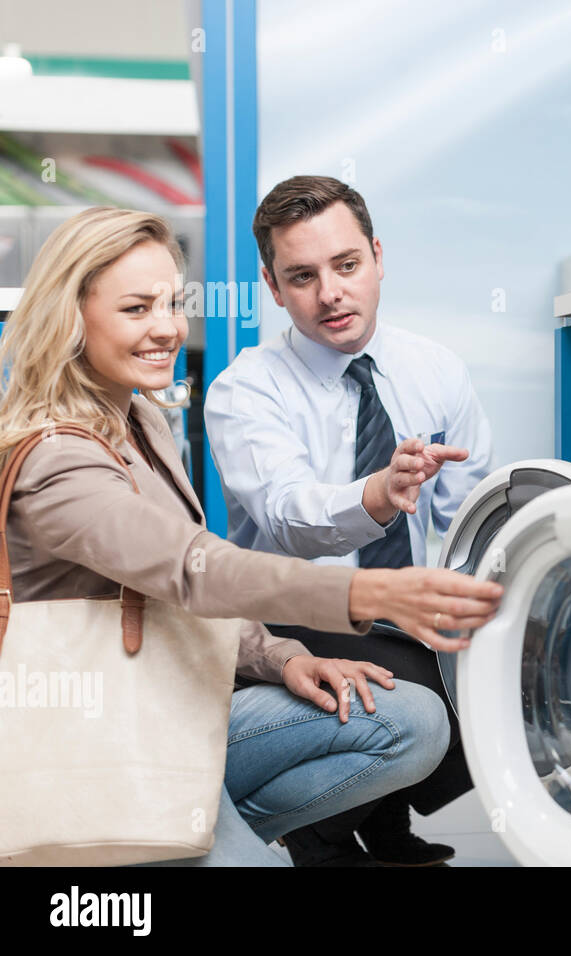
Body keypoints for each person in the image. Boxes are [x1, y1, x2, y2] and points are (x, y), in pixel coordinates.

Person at [0, 206, 502, 866]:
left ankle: (188, 835)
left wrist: (284, 658)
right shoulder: (57, 459)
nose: (166, 328)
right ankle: (161, 838)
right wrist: (372, 588)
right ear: (71, 318)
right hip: (100, 742)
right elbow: (195, 569)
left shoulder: (144, 423)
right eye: (135, 309)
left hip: (176, 702)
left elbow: (178, 601)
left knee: (413, 721)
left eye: (172, 303)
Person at [205, 175, 492, 866]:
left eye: (346, 265)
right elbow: (288, 516)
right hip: (291, 612)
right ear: (274, 288)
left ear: (378, 257)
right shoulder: (245, 389)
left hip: (402, 609)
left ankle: (381, 818)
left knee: (509, 672)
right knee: (412, 678)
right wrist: (380, 493)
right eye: (302, 276)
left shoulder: (437, 369)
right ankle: (324, 829)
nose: (330, 292)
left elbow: (468, 521)